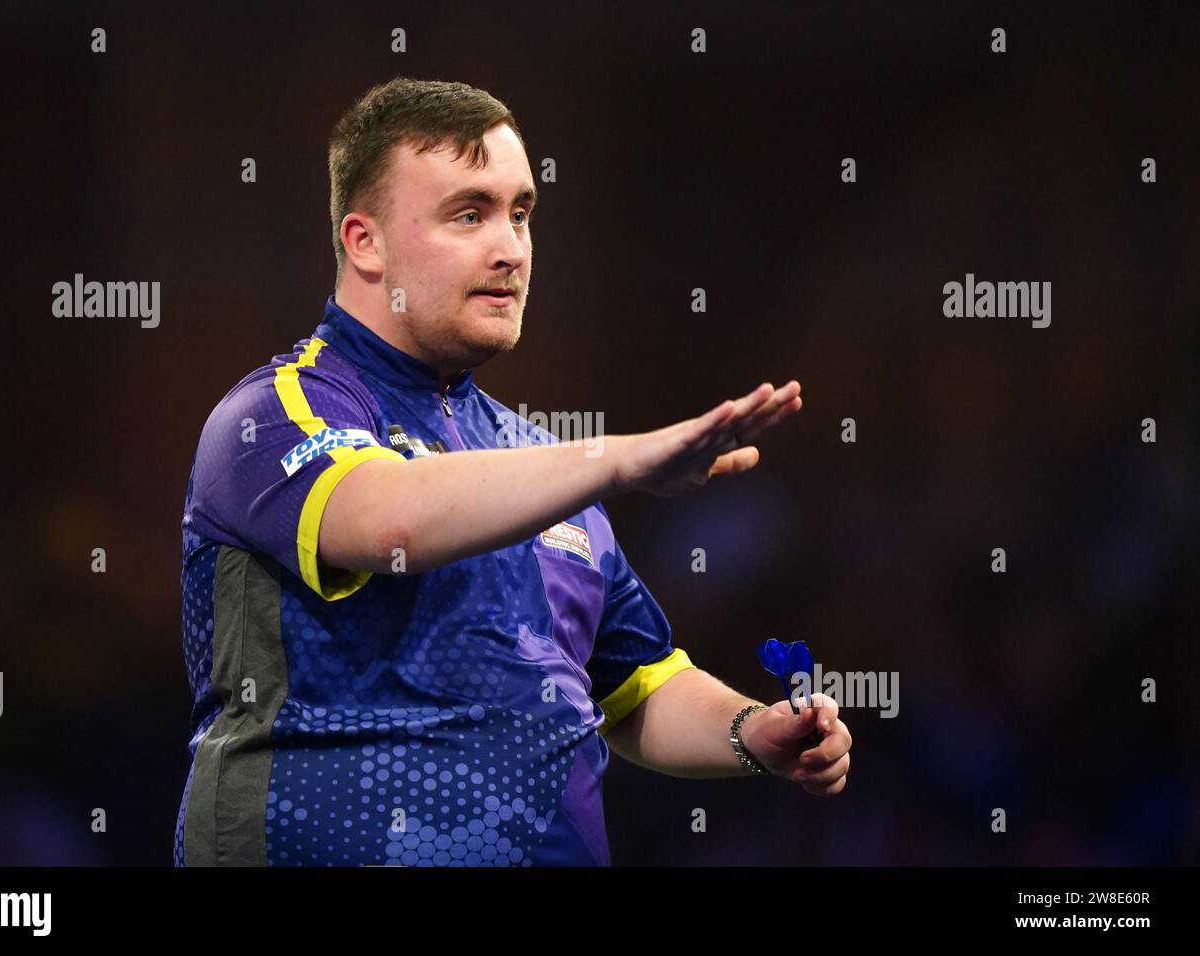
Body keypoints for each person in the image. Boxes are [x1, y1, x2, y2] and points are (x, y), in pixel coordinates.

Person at [174, 77, 851, 867]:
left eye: (520, 213)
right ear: (365, 242)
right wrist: (620, 457)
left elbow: (637, 685)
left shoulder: (537, 460)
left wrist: (749, 732)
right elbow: (388, 517)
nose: (510, 248)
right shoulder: (271, 414)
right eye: (469, 214)